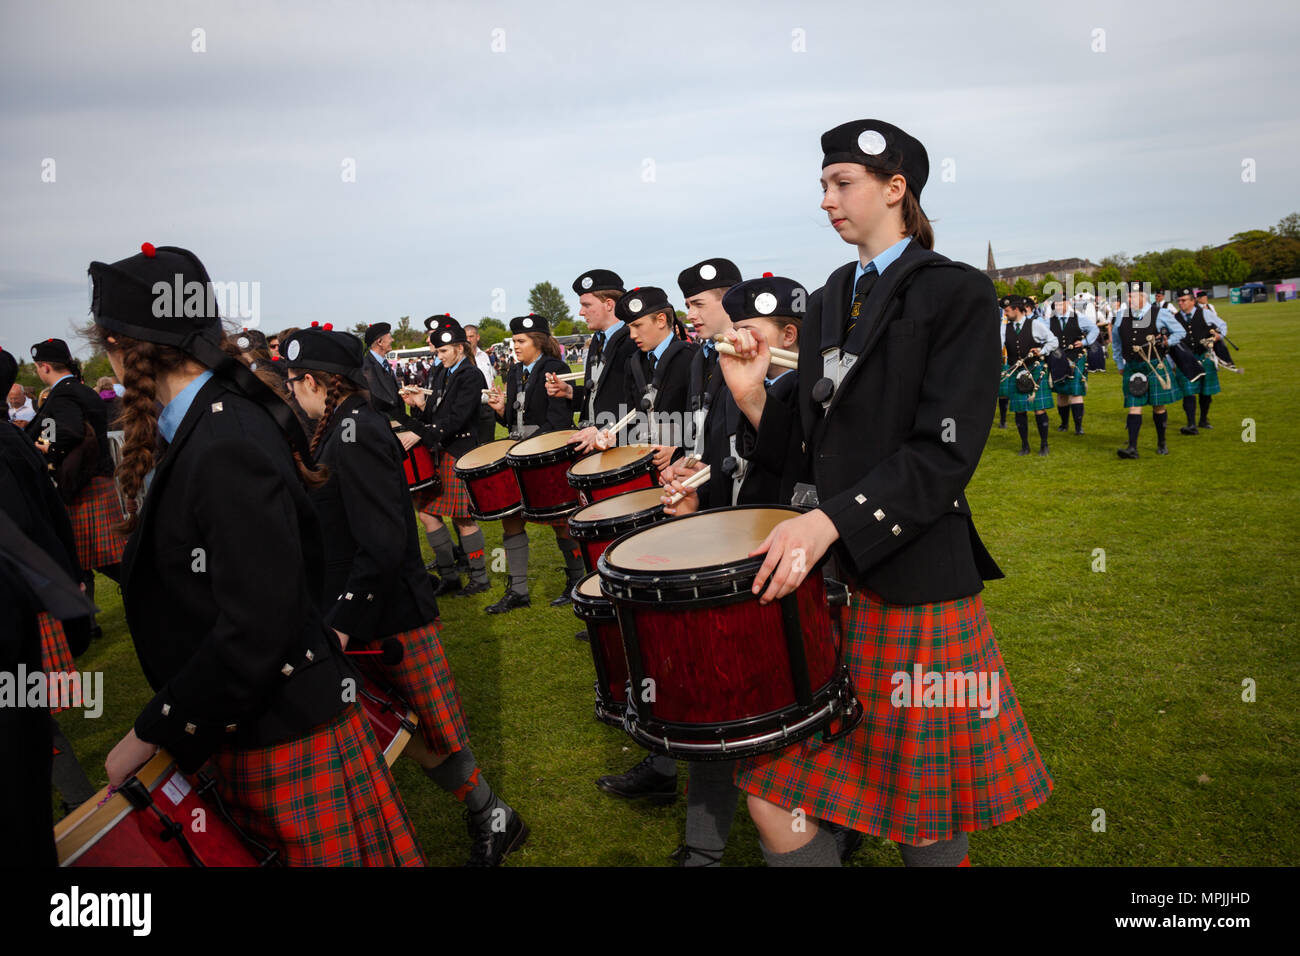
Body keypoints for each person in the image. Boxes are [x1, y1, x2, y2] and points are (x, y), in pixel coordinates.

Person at [715, 120, 1052, 867]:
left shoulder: (956, 292)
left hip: (912, 580)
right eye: (823, 186)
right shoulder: (833, 294)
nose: (827, 200)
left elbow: (945, 451)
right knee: (774, 791)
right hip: (827, 579)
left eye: (843, 184)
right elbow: (812, 438)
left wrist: (830, 522)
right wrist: (752, 398)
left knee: (921, 810)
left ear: (896, 189)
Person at [88, 242, 423, 866]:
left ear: (123, 349)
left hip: (280, 728)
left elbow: (256, 625)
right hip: (256, 721)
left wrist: (152, 729)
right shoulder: (217, 423)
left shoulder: (224, 438)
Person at [281, 325, 527, 864]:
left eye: (295, 380)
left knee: (430, 730)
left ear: (317, 381)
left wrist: (345, 617)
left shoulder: (358, 430)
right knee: (392, 730)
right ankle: (487, 813)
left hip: (386, 612)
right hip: (357, 608)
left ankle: (494, 816)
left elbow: (384, 539)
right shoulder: (333, 428)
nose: (292, 390)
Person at [483, 313, 583, 613]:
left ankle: (576, 582)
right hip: (518, 454)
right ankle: (518, 590)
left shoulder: (555, 368)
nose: (515, 346)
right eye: (514, 341)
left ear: (537, 342)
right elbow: (514, 420)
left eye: (521, 341)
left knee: (561, 523)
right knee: (511, 518)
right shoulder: (513, 372)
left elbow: (559, 419)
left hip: (547, 456)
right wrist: (501, 411)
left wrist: (530, 448)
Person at [403, 316, 492, 596]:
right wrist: (419, 405)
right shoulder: (442, 372)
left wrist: (421, 433)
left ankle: (479, 577)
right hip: (440, 451)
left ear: (459, 348)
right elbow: (435, 413)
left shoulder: (470, 375)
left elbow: (458, 417)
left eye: (443, 351)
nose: (438, 356)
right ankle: (449, 575)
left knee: (463, 518)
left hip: (459, 452)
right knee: (428, 513)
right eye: (438, 351)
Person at [545, 269, 637, 452]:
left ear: (609, 304)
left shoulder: (632, 340)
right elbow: (599, 396)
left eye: (587, 305)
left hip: (623, 446)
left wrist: (603, 428)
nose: (581, 312)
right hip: (595, 444)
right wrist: (570, 391)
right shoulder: (598, 340)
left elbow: (637, 400)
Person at [678, 258, 743, 508]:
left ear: (728, 302)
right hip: (704, 491)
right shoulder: (700, 357)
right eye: (687, 305)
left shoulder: (752, 354)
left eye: (698, 304)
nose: (690, 315)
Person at [1111, 280, 1185, 458]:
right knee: (1134, 406)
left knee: (1158, 406)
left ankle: (1162, 442)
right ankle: (1132, 448)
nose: (1129, 299)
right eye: (1127, 296)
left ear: (1144, 297)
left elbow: (1180, 332)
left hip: (1154, 364)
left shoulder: (1160, 313)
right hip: (1132, 366)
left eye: (1132, 296)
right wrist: (1120, 364)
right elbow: (1116, 343)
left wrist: (1167, 341)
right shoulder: (1121, 316)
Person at [1002, 295, 1058, 456]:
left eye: (1007, 311)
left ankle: (1044, 445)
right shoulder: (1004, 328)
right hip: (1016, 371)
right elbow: (998, 344)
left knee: (1039, 409)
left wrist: (1042, 350)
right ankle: (1025, 446)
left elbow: (1053, 341)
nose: (1005, 314)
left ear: (1016, 309)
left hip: (1034, 370)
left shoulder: (1035, 325)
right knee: (1020, 410)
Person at [1169, 287, 1225, 434]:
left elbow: (1223, 326)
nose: (1180, 303)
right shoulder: (1174, 318)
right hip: (1184, 358)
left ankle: (1204, 419)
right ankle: (1191, 424)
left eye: (1184, 300)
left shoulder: (1205, 314)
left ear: (1193, 301)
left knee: (1206, 391)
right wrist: (1171, 363)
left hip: (1204, 356)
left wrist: (1218, 337)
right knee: (1188, 391)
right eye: (1179, 300)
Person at [1047, 295, 1099, 435]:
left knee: (1076, 392)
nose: (1059, 306)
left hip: (1076, 358)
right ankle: (1064, 424)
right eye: (1057, 303)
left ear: (1067, 303)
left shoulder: (1079, 318)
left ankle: (1078, 426)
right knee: (1061, 393)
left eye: (1062, 303)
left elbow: (1095, 329)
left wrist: (1085, 342)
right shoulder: (1048, 321)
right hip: (1058, 360)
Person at [463, 323, 498, 445]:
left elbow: (490, 377)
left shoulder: (484, 356)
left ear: (477, 337)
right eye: (466, 337)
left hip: (487, 406)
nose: (468, 340)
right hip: (470, 408)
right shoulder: (461, 358)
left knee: (488, 444)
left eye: (471, 336)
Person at [995, 295, 1013, 428]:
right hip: (995, 354)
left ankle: (1003, 419)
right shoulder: (995, 315)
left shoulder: (1012, 319)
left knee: (1003, 392)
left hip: (1007, 356)